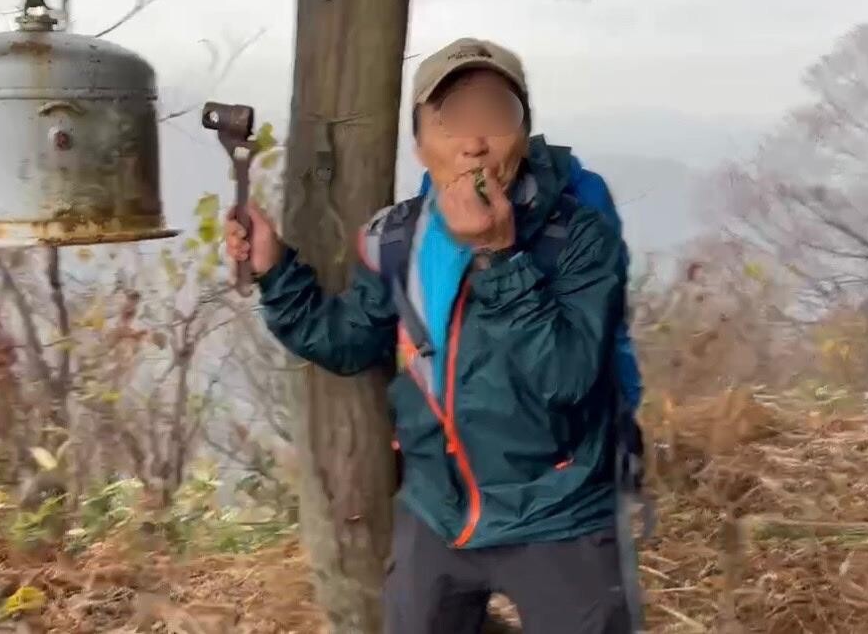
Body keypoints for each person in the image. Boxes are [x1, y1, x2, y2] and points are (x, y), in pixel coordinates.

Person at [224, 37, 638, 634]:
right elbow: (349, 342)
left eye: (495, 116)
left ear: (524, 134)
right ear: (420, 143)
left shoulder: (578, 239)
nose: (473, 142)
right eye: (450, 121)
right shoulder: (396, 237)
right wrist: (275, 269)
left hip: (560, 512)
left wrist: (499, 256)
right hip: (438, 514)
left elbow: (568, 377)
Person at [418, 150, 645, 411]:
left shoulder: (580, 194)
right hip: (459, 418)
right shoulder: (431, 198)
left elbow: (606, 315)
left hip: (561, 419)